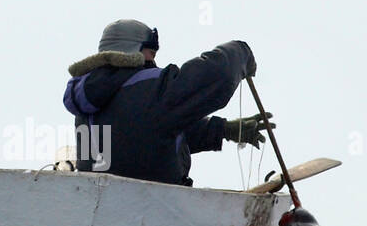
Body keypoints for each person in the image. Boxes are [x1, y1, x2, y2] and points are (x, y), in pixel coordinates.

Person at [62, 19, 268, 186]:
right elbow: (220, 73)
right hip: (154, 215)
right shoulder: (153, 86)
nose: (154, 58)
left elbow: (146, 132)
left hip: (98, 208)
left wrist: (222, 129)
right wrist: (241, 52)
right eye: (152, 51)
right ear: (141, 51)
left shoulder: (88, 97)